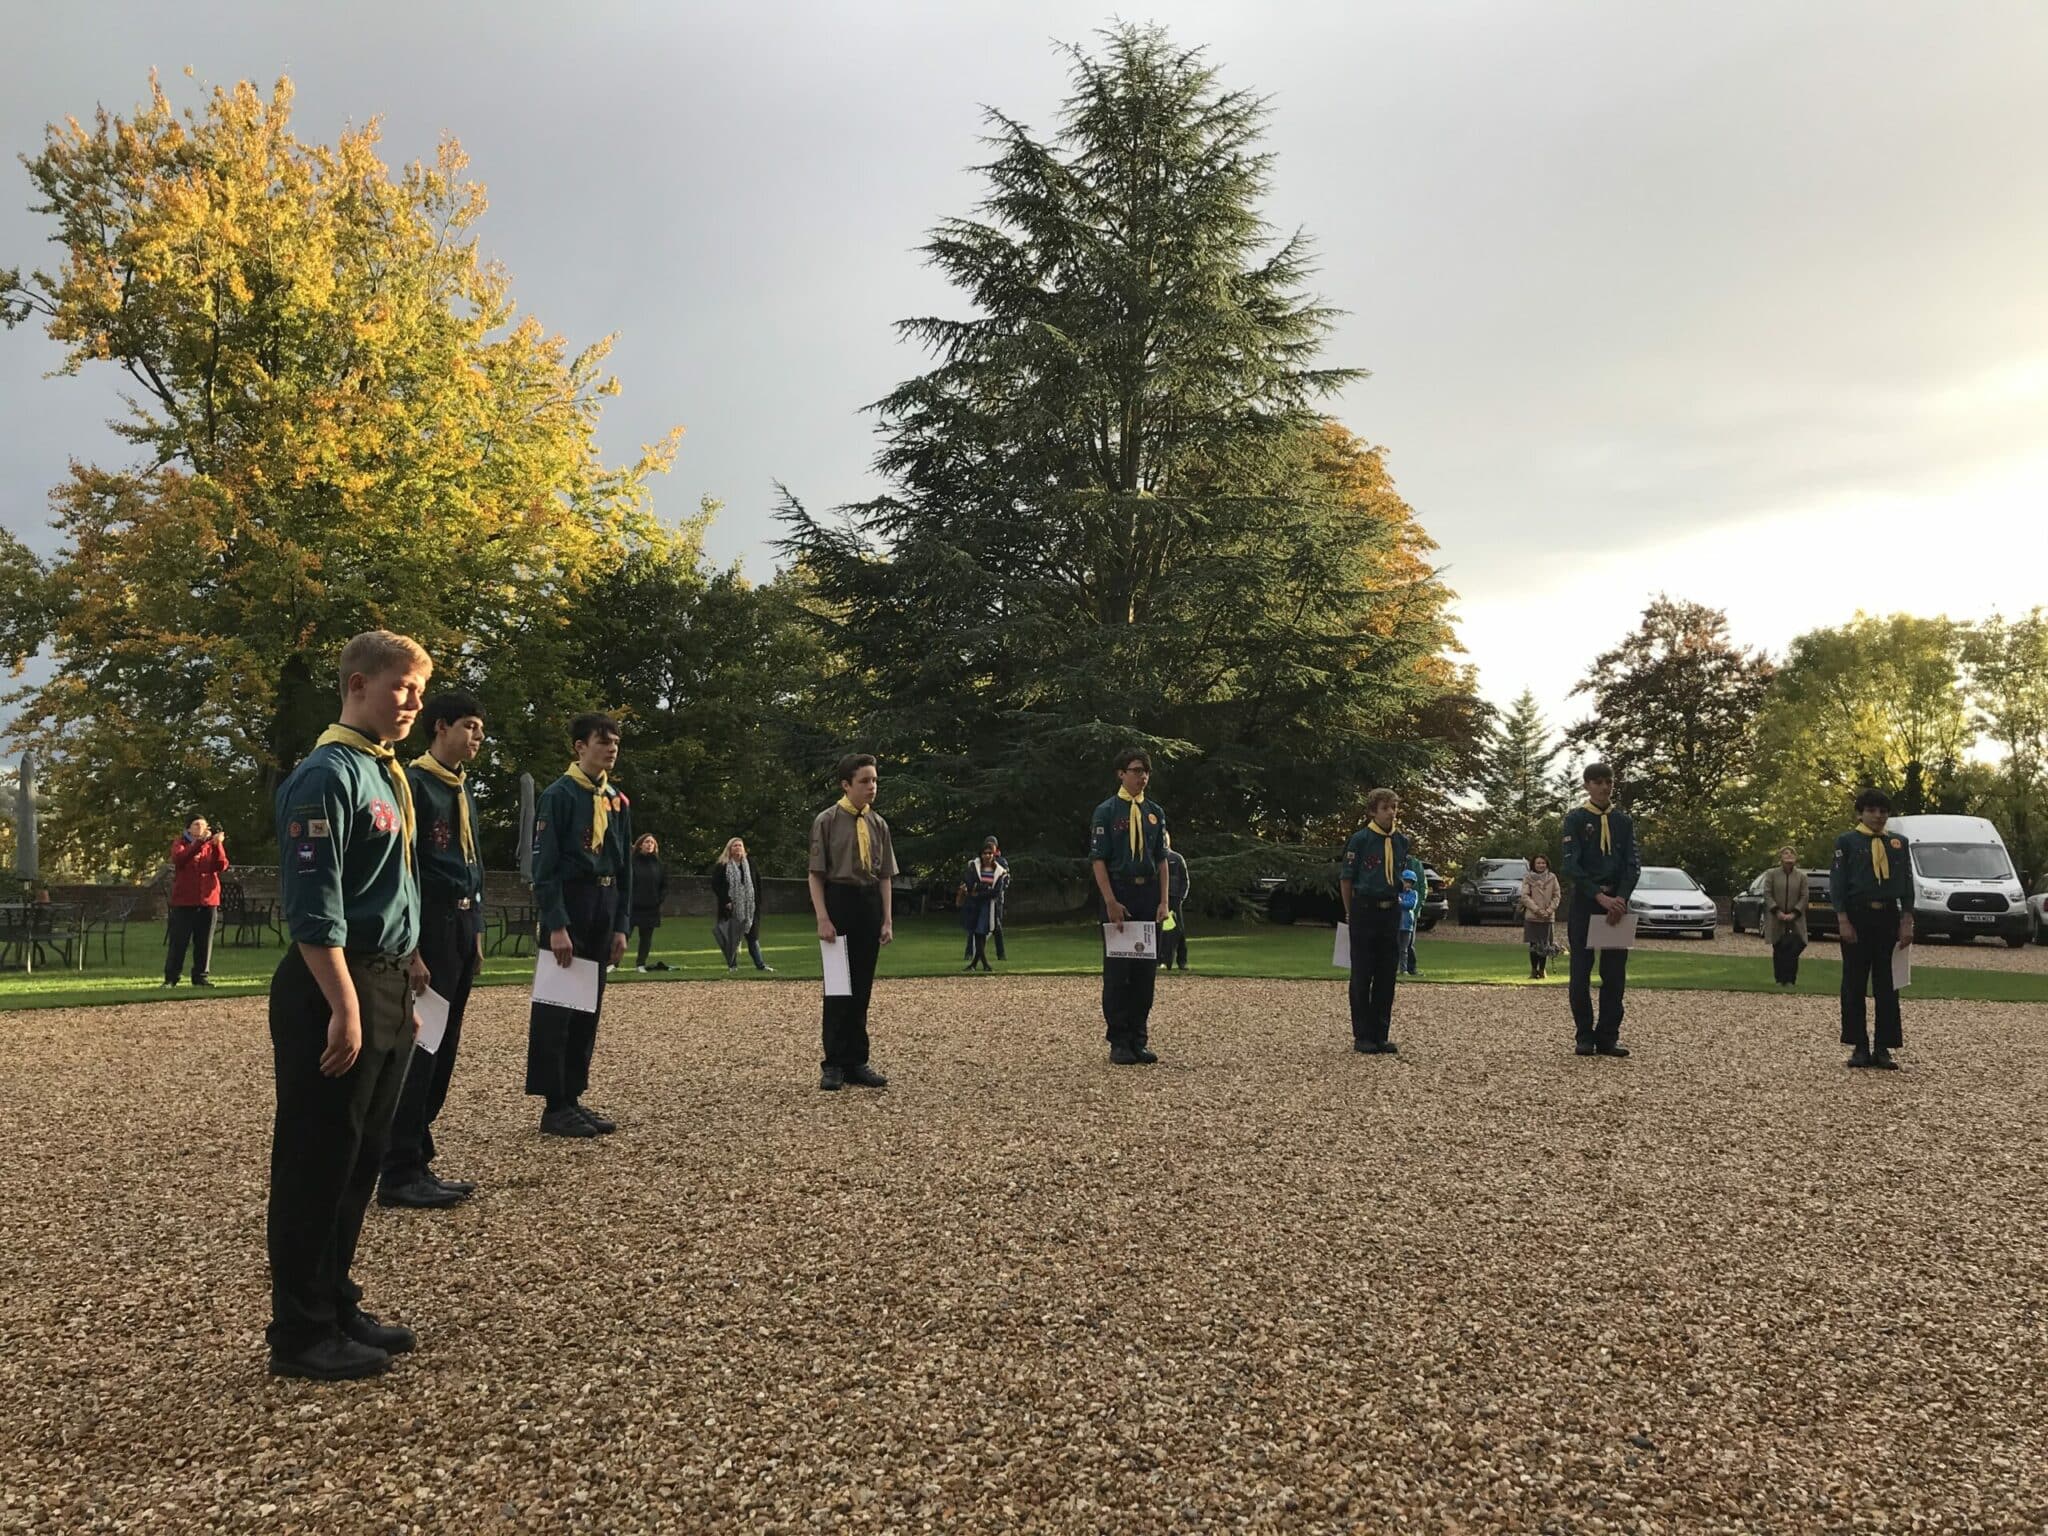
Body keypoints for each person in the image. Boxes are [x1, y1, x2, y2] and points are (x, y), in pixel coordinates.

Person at [265, 629, 434, 1381]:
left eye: (420, 691)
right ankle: (299, 1332)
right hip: (336, 983)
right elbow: (314, 903)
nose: (413, 704)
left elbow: (390, 883)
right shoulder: (325, 775)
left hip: (386, 979)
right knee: (315, 1161)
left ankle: (335, 1301)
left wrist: (410, 971)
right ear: (358, 684)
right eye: (402, 688)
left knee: (359, 1159)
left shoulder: (382, 771)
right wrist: (346, 1004)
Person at [377, 691, 487, 1211]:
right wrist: (413, 947)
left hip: (461, 926)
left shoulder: (462, 791)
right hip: (432, 926)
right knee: (420, 1048)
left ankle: (418, 1151)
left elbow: (472, 862)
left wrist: (478, 930)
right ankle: (397, 1168)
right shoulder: (415, 786)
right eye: (469, 726)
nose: (477, 738)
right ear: (441, 727)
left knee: (443, 1047)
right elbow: (407, 871)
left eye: (481, 730)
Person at [526, 713, 633, 1138]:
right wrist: (555, 924)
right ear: (579, 747)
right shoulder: (560, 796)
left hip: (603, 904)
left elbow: (624, 867)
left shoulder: (616, 800)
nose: (611, 749)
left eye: (616, 743)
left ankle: (573, 1094)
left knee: (587, 1007)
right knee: (558, 1009)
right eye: (602, 741)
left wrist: (621, 925)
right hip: (571, 901)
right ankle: (554, 1104)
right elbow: (544, 866)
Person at [808, 755, 896, 1090]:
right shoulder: (827, 821)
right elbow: (815, 874)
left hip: (869, 903)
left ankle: (857, 1060)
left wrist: (887, 919)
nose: (871, 786)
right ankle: (833, 1064)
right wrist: (823, 918)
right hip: (839, 901)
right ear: (846, 784)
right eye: (864, 781)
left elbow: (886, 875)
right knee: (837, 988)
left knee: (861, 989)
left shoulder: (879, 825)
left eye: (874, 780)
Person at [1090, 749, 1170, 1065]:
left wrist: (1164, 901)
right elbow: (1098, 860)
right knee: (1118, 973)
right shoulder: (1107, 812)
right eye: (1137, 770)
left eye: (1146, 771)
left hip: (1147, 893)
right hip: (1119, 890)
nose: (1143, 777)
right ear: (1121, 773)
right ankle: (1119, 1040)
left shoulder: (1154, 812)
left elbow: (1162, 859)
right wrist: (1110, 901)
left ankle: (1139, 1038)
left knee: (1144, 974)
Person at [1561, 763, 1641, 1057]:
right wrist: (1599, 896)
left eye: (1608, 781)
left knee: (1614, 974)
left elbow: (1632, 863)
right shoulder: (1576, 819)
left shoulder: (1623, 821)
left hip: (1616, 906)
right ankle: (1584, 1035)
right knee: (1580, 972)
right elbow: (1571, 864)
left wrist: (1619, 897)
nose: (1604, 787)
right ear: (1587, 785)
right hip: (1586, 902)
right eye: (1598, 782)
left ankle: (1608, 1036)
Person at [1832, 791, 1913, 1069]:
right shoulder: (1848, 842)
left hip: (1888, 917)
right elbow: (1838, 883)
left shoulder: (1898, 843)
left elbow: (1907, 884)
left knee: (1888, 985)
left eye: (1883, 811)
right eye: (1872, 810)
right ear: (1860, 813)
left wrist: (1907, 920)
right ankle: (1859, 1046)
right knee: (1854, 983)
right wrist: (1843, 919)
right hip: (1857, 916)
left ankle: (1883, 1047)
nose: (1878, 816)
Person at [1340, 788, 1409, 1054]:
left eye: (1394, 807)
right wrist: (1350, 911)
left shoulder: (1401, 841)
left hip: (1390, 910)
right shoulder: (1360, 840)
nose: (1391, 812)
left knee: (1386, 974)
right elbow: (1346, 878)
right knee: (1362, 973)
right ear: (1372, 811)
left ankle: (1381, 1033)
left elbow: (1399, 871)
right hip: (1364, 909)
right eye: (1385, 808)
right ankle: (1362, 1035)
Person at [164, 816, 229, 988]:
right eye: (196, 825)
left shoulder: (210, 846)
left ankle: (200, 976)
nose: (200, 828)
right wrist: (198, 843)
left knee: (204, 941)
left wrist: (218, 845)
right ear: (189, 828)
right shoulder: (180, 843)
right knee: (179, 941)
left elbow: (221, 865)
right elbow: (179, 859)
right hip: (185, 901)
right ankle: (172, 977)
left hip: (208, 900)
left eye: (203, 825)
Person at [713, 836, 771, 973]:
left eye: (740, 845)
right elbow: (716, 885)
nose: (738, 848)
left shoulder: (750, 863)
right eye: (735, 846)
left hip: (750, 908)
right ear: (730, 849)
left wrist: (758, 901)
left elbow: (758, 882)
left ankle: (760, 965)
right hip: (730, 908)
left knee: (753, 938)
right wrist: (726, 900)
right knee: (731, 938)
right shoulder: (723, 865)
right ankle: (732, 966)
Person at [1764, 845, 1810, 987]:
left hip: (1795, 919)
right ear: (1781, 857)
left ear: (1795, 858)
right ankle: (1780, 979)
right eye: (1785, 853)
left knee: (1795, 947)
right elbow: (1767, 894)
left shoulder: (1801, 876)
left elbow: (1804, 896)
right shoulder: (1772, 874)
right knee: (1779, 948)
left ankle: (1790, 979)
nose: (1789, 855)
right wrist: (1777, 911)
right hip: (1777, 917)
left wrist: (1794, 913)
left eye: (1791, 853)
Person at [958, 839, 1007, 972]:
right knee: (977, 933)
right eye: (985, 853)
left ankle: (979, 963)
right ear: (981, 854)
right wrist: (983, 889)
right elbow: (969, 883)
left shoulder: (999, 871)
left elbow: (996, 891)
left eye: (990, 853)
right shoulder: (974, 867)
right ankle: (981, 964)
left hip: (988, 905)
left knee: (981, 932)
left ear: (994, 854)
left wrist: (980, 891)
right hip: (974, 905)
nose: (987, 856)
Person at [1518, 854, 1562, 980]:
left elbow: (1557, 895)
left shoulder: (1552, 878)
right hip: (1533, 916)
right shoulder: (1528, 877)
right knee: (1533, 945)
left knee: (1545, 945)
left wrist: (1549, 910)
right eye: (1538, 863)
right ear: (1534, 864)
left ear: (1547, 864)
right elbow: (1525, 896)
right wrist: (1536, 909)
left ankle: (1542, 970)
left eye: (1543, 863)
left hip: (1547, 917)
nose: (1541, 865)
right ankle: (1533, 970)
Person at [630, 834, 669, 972]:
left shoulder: (658, 864)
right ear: (640, 844)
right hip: (632, 906)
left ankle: (640, 964)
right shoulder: (632, 862)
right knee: (624, 934)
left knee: (646, 938)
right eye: (647, 842)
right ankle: (613, 963)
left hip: (651, 906)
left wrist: (659, 899)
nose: (649, 844)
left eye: (652, 842)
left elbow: (664, 885)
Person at [1162, 830, 1190, 972]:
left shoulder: (1177, 858)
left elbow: (1185, 881)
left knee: (1179, 931)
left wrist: (1181, 897)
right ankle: (1162, 961)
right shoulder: (1155, 859)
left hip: (1174, 899)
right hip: (1160, 899)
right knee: (1160, 931)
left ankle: (1182, 961)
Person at [1395, 869, 1421, 978]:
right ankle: (1394, 968)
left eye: (1410, 882)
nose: (1407, 884)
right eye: (1406, 881)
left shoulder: (1413, 894)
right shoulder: (1397, 893)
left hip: (1407, 925)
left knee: (1404, 949)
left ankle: (1404, 969)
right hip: (1396, 924)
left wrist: (1401, 902)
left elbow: (1411, 905)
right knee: (1395, 948)